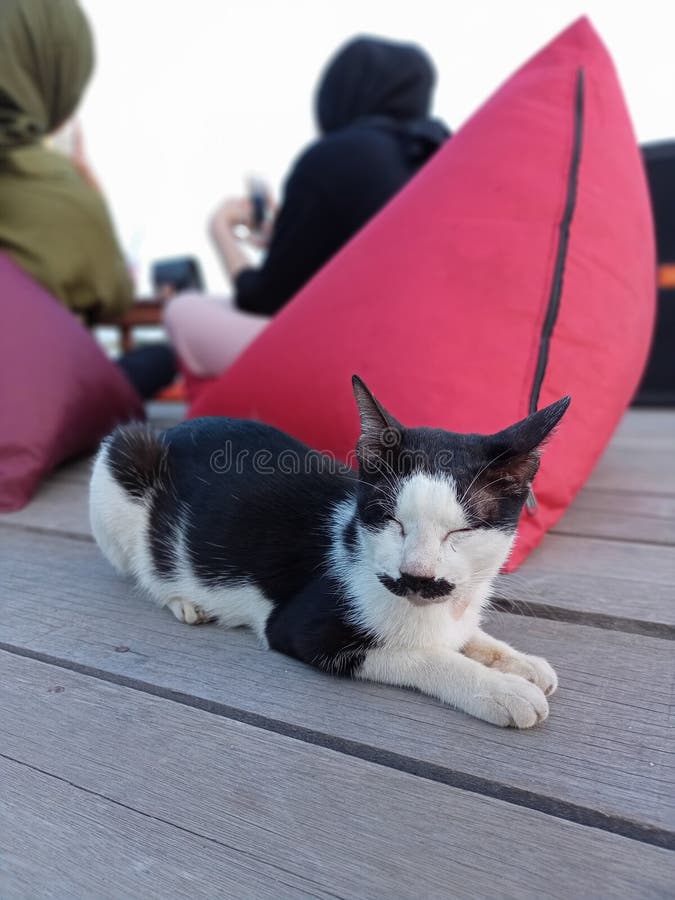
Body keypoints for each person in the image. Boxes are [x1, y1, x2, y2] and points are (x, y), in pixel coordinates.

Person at [165, 35, 450, 378]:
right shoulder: (439, 153)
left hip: (348, 365)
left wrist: (221, 229)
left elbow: (262, 301)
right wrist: (287, 237)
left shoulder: (334, 157)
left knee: (183, 309)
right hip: (425, 356)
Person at [0, 0, 133, 317]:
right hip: (25, 365)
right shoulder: (53, 193)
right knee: (156, 359)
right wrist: (87, 182)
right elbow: (117, 294)